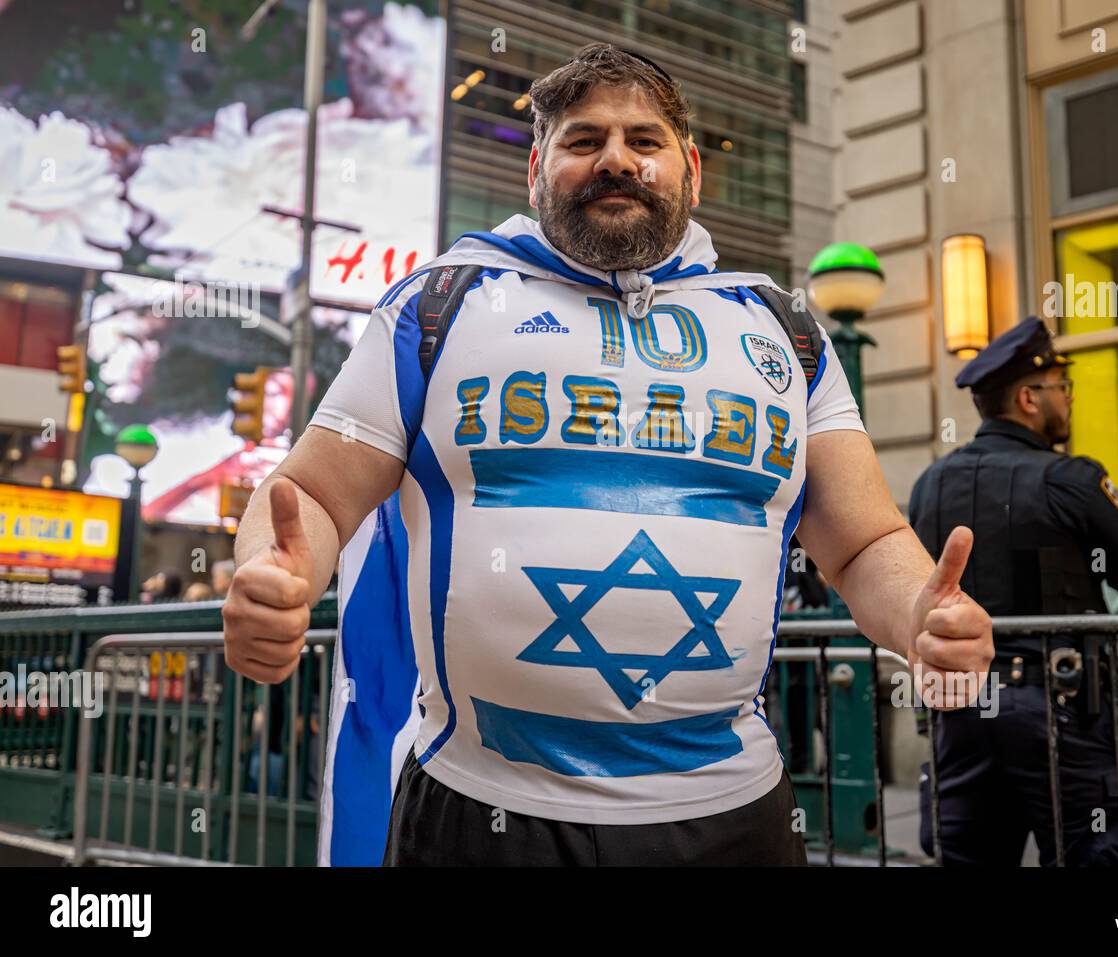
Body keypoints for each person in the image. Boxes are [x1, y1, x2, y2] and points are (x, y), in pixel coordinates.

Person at [221, 43, 993, 867]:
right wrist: (274, 575)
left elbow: (863, 541)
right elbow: (311, 494)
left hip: (733, 820)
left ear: (690, 169)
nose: (616, 160)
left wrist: (920, 615)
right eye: (583, 141)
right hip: (479, 815)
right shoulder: (437, 307)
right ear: (536, 170)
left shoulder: (785, 330)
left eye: (644, 141)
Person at [909, 317, 1118, 866]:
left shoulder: (929, 483)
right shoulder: (1070, 477)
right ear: (1029, 398)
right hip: (1061, 708)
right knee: (1094, 853)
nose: (1069, 400)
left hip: (962, 708)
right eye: (1063, 387)